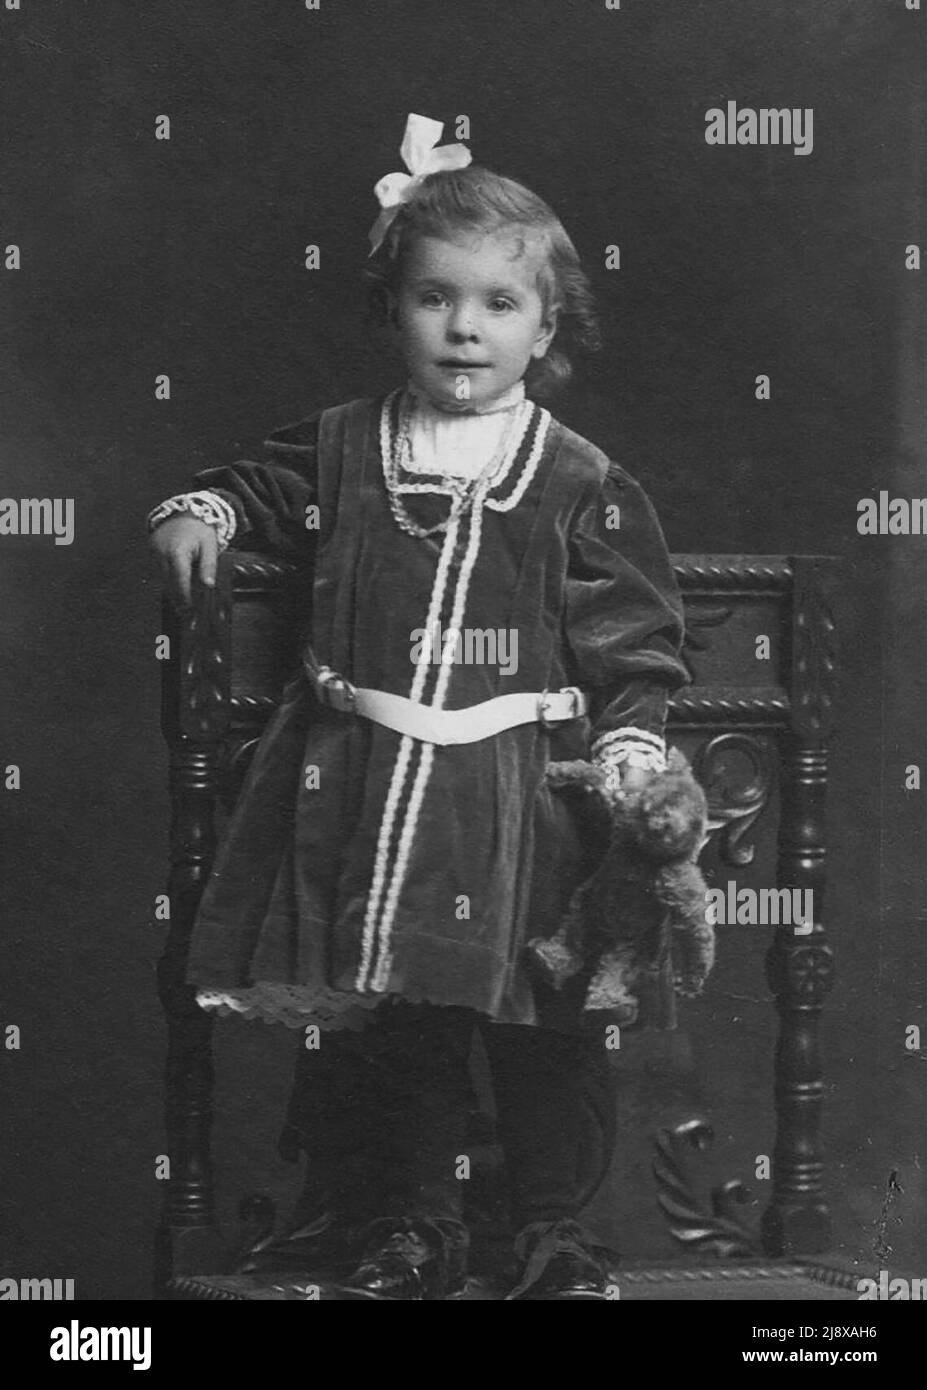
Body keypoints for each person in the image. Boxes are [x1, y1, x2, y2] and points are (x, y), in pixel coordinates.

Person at [149, 113, 689, 1299]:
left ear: (547, 327)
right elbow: (254, 481)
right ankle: (413, 1225)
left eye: (499, 304)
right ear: (392, 308)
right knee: (398, 1024)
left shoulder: (577, 475)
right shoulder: (345, 448)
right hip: (360, 779)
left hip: (517, 798)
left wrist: (634, 740)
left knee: (538, 1027)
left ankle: (557, 1235)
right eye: (435, 299)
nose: (464, 327)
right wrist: (208, 514)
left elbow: (635, 632)